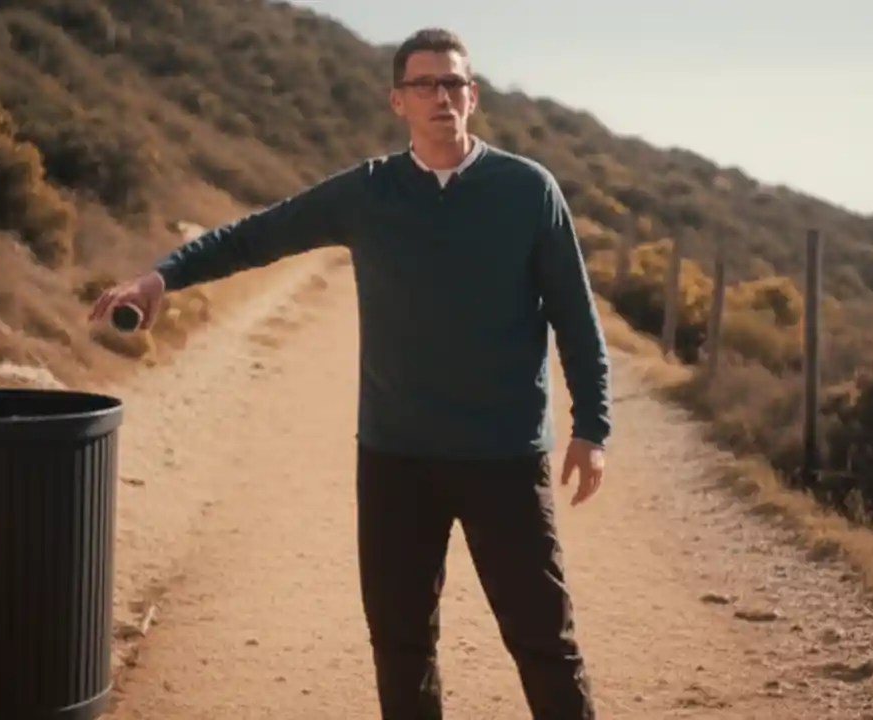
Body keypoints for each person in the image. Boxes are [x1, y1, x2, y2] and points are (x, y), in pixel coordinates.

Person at [89, 27, 611, 720]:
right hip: (397, 460)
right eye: (424, 84)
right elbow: (257, 235)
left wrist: (592, 426)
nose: (441, 97)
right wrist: (163, 276)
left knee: (544, 642)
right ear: (398, 101)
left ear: (473, 97)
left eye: (453, 83)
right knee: (401, 648)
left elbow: (575, 316)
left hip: (505, 460)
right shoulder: (368, 193)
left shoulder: (528, 191)